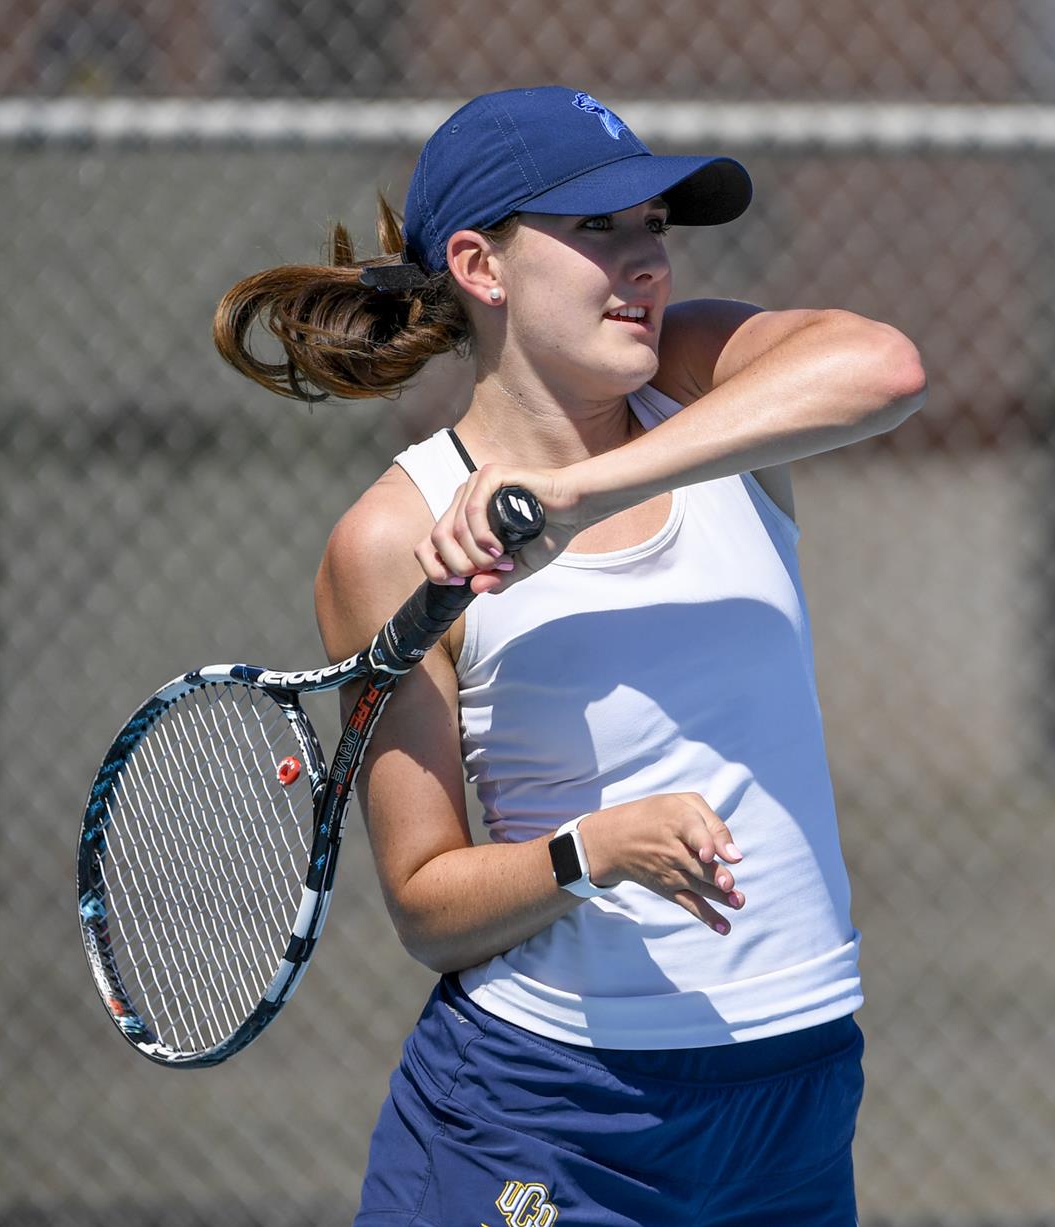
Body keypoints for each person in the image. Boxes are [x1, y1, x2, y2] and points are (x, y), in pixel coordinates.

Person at [214, 85, 926, 1227]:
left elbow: (885, 368)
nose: (645, 261)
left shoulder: (697, 384)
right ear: (479, 268)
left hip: (794, 1083)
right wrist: (589, 850)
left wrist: (575, 496)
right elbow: (427, 902)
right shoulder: (395, 540)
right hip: (551, 1109)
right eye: (598, 230)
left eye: (653, 226)